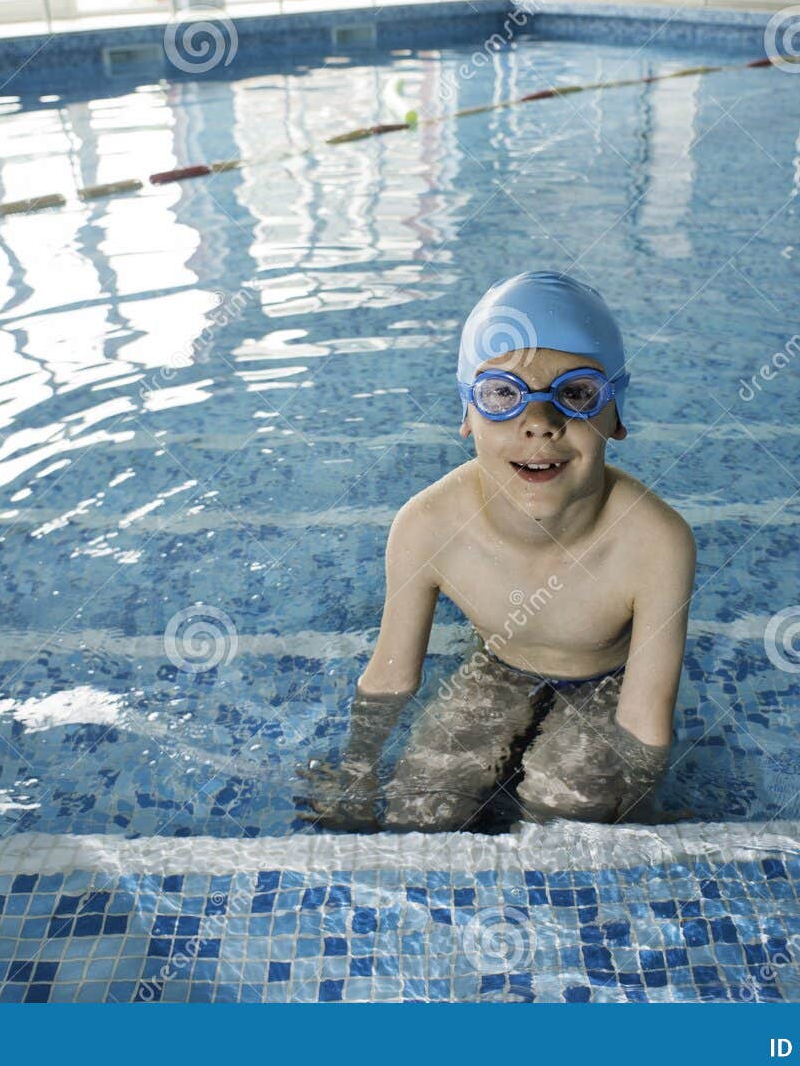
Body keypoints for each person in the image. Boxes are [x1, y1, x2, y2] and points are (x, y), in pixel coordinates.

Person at [297, 270, 697, 833]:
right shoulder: (428, 524)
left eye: (576, 393)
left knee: (567, 808)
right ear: (466, 413)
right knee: (419, 806)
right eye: (502, 395)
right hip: (496, 668)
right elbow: (389, 677)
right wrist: (357, 775)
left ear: (617, 413)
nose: (540, 423)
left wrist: (636, 814)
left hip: (604, 683)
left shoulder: (656, 542)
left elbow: (642, 721)